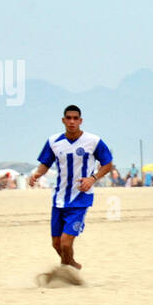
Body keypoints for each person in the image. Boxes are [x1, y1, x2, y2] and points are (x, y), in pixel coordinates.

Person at [27, 105, 115, 270]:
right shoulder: (53, 141)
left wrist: (93, 178)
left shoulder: (93, 140)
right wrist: (37, 174)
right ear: (63, 120)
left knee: (66, 243)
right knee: (56, 244)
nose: (72, 121)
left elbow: (108, 164)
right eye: (68, 118)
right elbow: (45, 163)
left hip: (80, 198)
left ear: (81, 121)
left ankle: (66, 271)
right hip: (59, 198)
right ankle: (71, 265)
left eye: (75, 118)